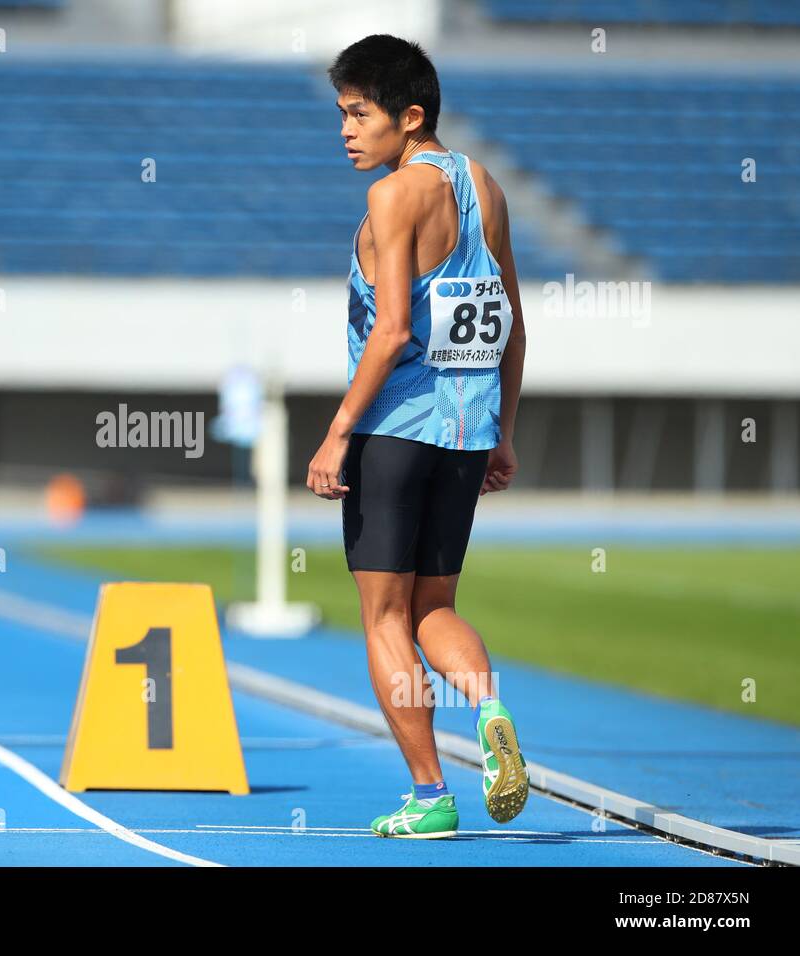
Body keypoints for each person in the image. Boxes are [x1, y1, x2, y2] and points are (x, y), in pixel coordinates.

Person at [305, 34, 529, 839]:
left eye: (359, 114)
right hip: (466, 433)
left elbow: (394, 329)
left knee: (384, 620)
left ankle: (431, 794)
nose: (346, 131)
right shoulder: (485, 186)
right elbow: (514, 326)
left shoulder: (394, 198)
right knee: (436, 606)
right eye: (340, 115)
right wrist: (502, 429)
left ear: (411, 115)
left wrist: (337, 434)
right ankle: (490, 705)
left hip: (395, 433)